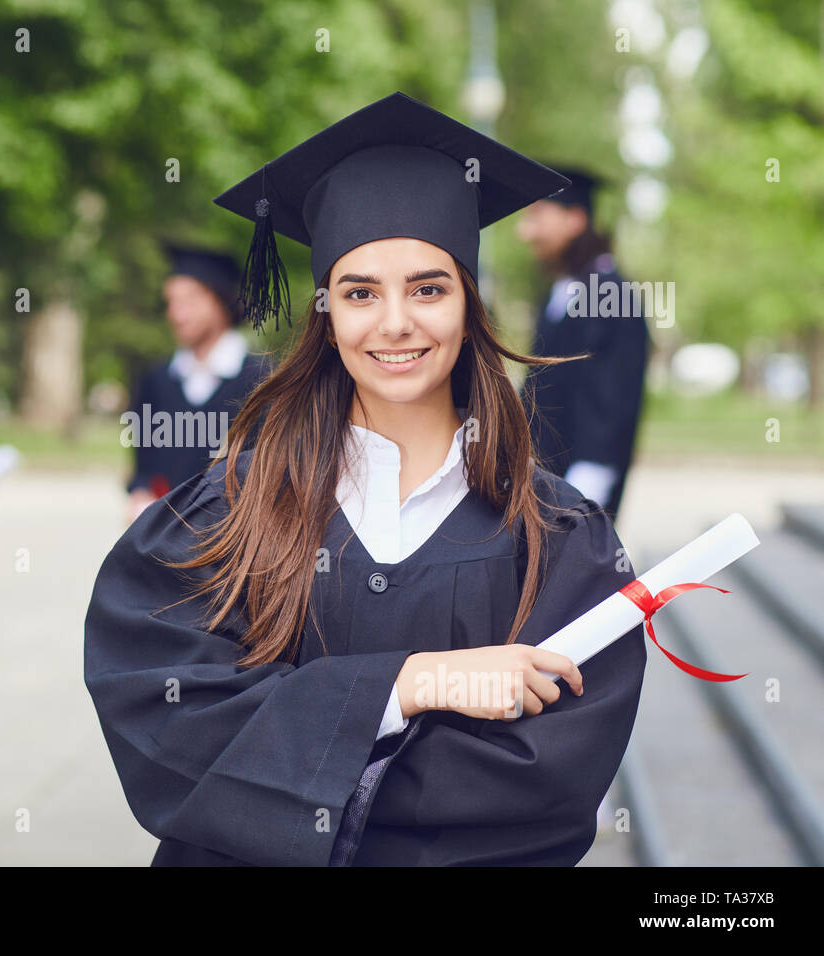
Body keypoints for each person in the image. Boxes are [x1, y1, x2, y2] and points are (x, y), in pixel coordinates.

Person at [84, 92, 648, 866]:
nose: (393, 324)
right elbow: (167, 723)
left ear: (468, 303)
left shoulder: (558, 537)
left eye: (427, 288)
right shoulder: (227, 510)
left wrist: (304, 753)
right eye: (359, 293)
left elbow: (546, 786)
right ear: (325, 312)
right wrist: (411, 685)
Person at [517, 167, 651, 521]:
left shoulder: (610, 293)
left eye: (537, 216)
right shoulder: (564, 289)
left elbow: (615, 393)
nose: (525, 232)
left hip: (578, 487)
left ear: (575, 219)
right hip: (545, 478)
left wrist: (590, 480)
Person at [125, 243, 271, 523]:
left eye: (189, 302)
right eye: (171, 303)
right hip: (163, 537)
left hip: (236, 539)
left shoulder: (263, 382)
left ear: (221, 300)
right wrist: (140, 494)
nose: (176, 315)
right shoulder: (156, 380)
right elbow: (143, 468)